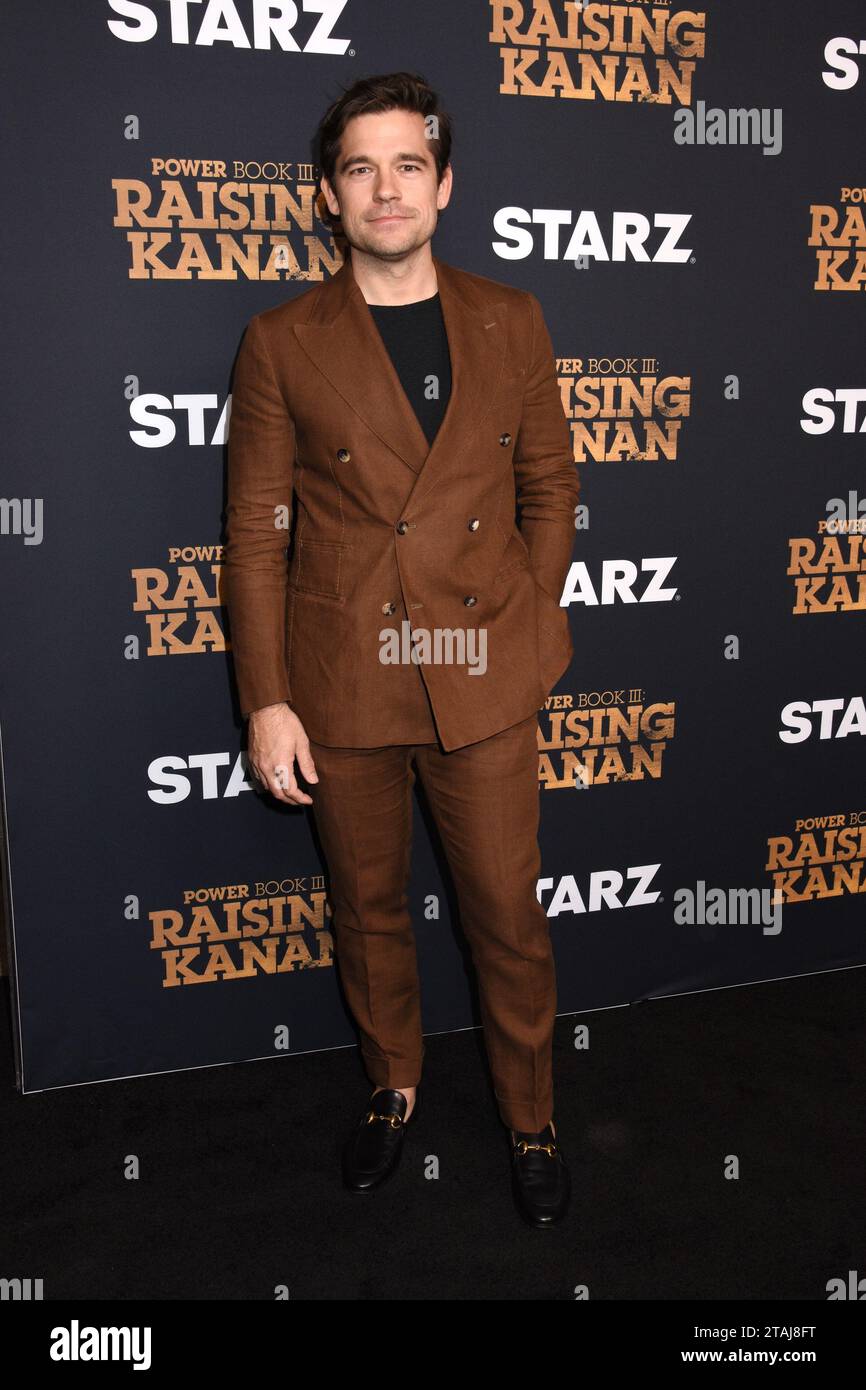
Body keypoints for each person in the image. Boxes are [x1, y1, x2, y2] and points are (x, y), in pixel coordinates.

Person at [224, 71, 580, 1226]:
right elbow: (254, 531)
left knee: (504, 913)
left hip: (481, 669)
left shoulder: (510, 316)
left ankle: (529, 1113)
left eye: (407, 165)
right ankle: (392, 1084)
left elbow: (548, 483)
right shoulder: (281, 341)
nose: (386, 188)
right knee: (366, 907)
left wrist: (523, 612)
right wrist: (266, 699)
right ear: (328, 196)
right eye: (360, 169)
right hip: (346, 676)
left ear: (444, 185)